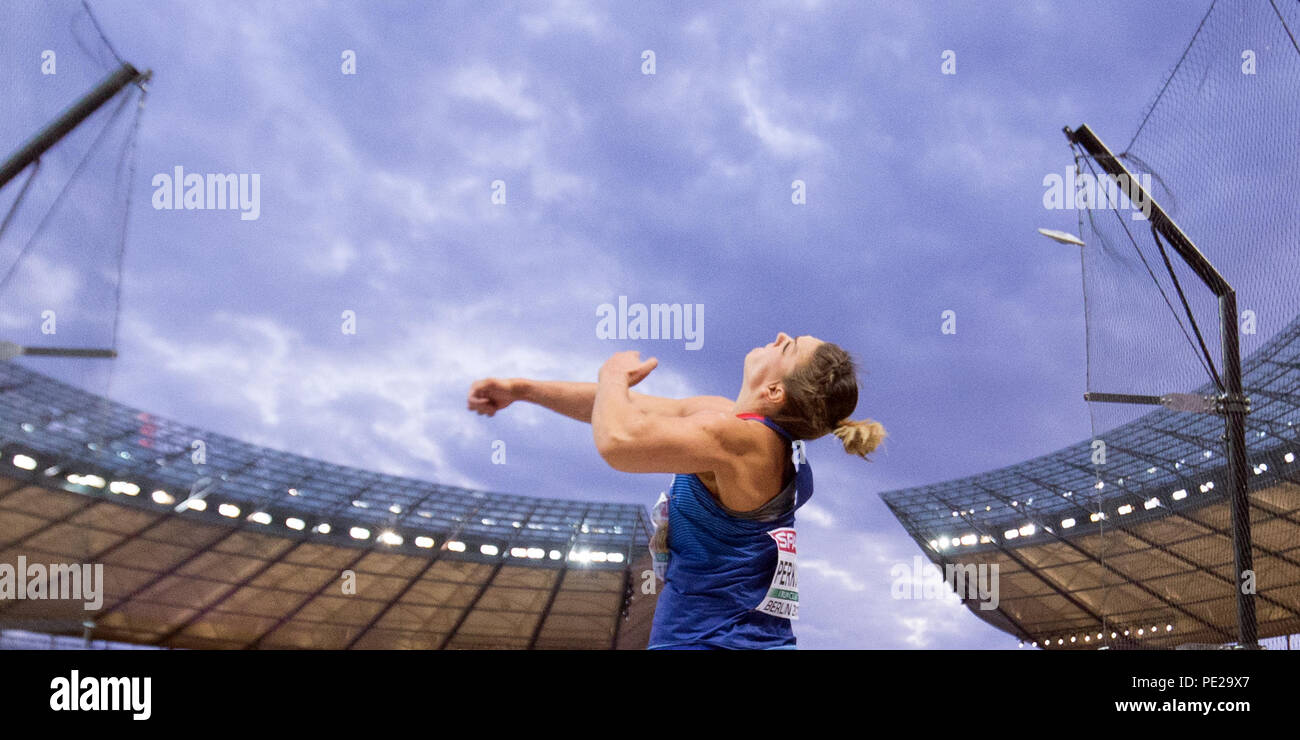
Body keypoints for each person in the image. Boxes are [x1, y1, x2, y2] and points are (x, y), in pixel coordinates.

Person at [466, 332, 885, 649]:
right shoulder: (739, 427)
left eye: (789, 347)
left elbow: (619, 441)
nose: (779, 337)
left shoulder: (743, 441)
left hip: (714, 642)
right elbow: (631, 408)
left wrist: (611, 374)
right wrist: (521, 390)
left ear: (775, 391)